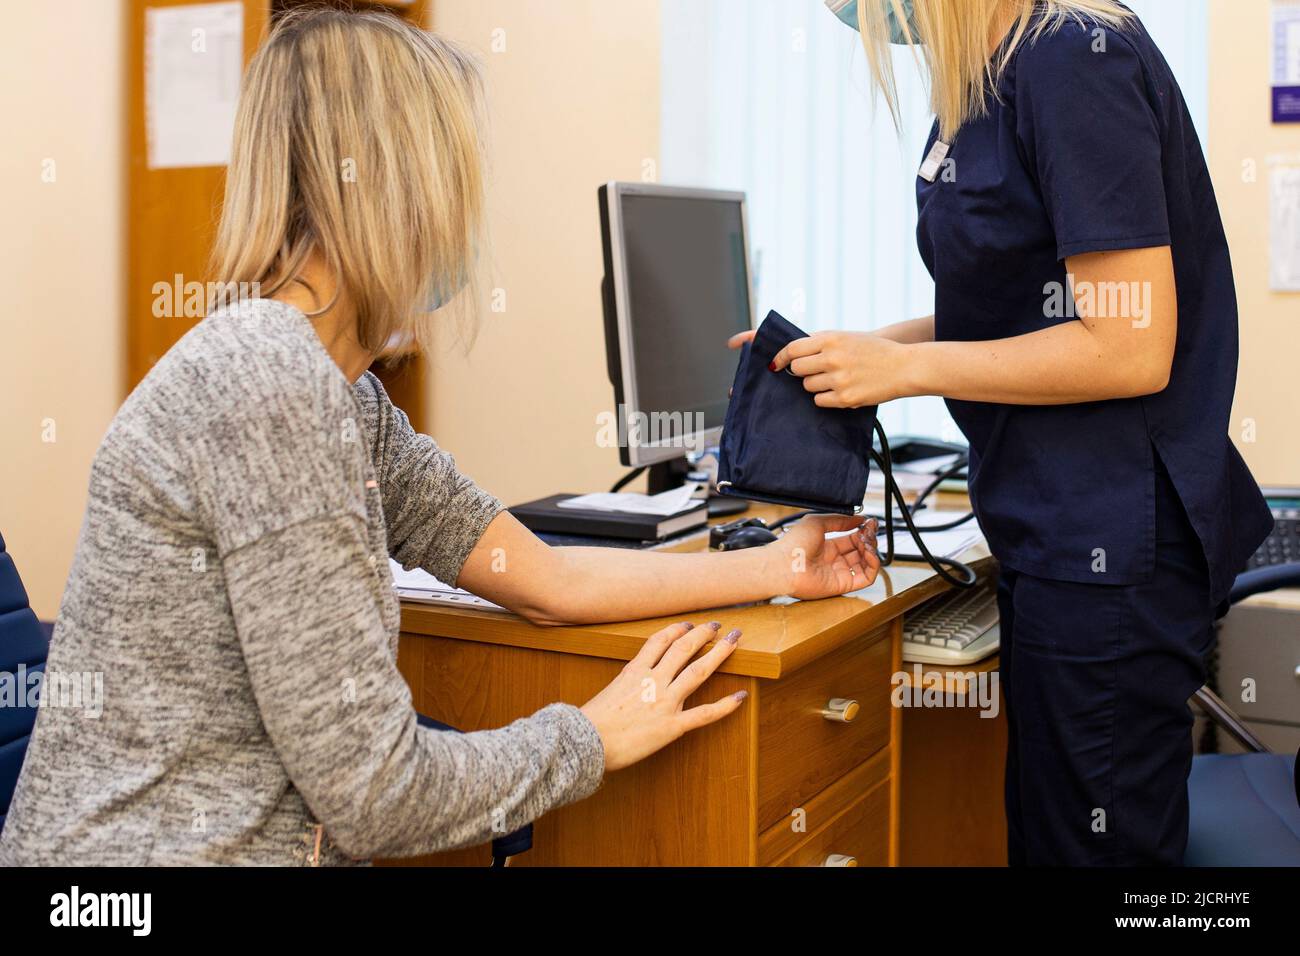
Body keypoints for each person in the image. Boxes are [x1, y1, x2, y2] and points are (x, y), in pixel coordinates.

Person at [0, 8, 880, 866]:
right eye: (456, 177)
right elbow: (376, 795)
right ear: (397, 191)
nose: (468, 214)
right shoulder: (270, 387)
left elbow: (551, 581)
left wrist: (782, 566)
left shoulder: (344, 397)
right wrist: (590, 736)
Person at [738, 0, 1272, 864]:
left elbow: (1130, 345)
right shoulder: (990, 78)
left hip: (1108, 541)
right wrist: (856, 352)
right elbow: (1013, 307)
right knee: (1049, 833)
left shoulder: (1072, 60)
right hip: (1052, 529)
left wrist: (905, 370)